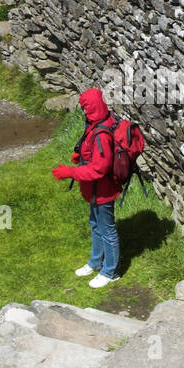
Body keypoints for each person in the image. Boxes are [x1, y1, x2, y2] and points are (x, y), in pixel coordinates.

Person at [51, 88, 122, 288]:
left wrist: (70, 172)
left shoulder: (101, 133)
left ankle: (111, 272)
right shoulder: (97, 122)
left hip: (103, 190)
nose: (83, 111)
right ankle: (95, 262)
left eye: (84, 107)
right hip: (94, 190)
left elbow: (100, 169)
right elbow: (92, 152)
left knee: (107, 230)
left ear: (91, 107)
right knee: (95, 224)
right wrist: (81, 157)